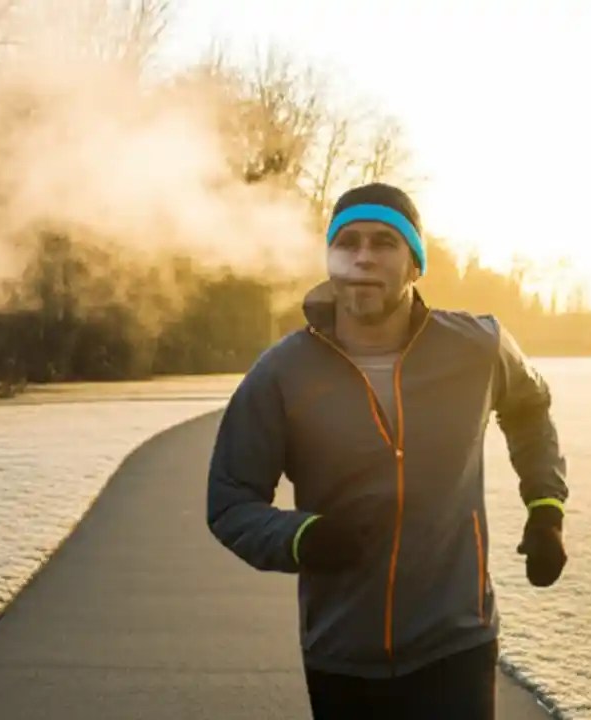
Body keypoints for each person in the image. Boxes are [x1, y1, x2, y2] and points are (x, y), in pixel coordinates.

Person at [205, 182, 569, 719]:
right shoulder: (283, 372)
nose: (363, 257)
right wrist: (302, 536)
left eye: (384, 242)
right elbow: (231, 501)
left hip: (456, 642)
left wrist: (545, 508)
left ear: (415, 264)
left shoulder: (477, 346)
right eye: (347, 242)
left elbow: (529, 409)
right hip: (341, 650)